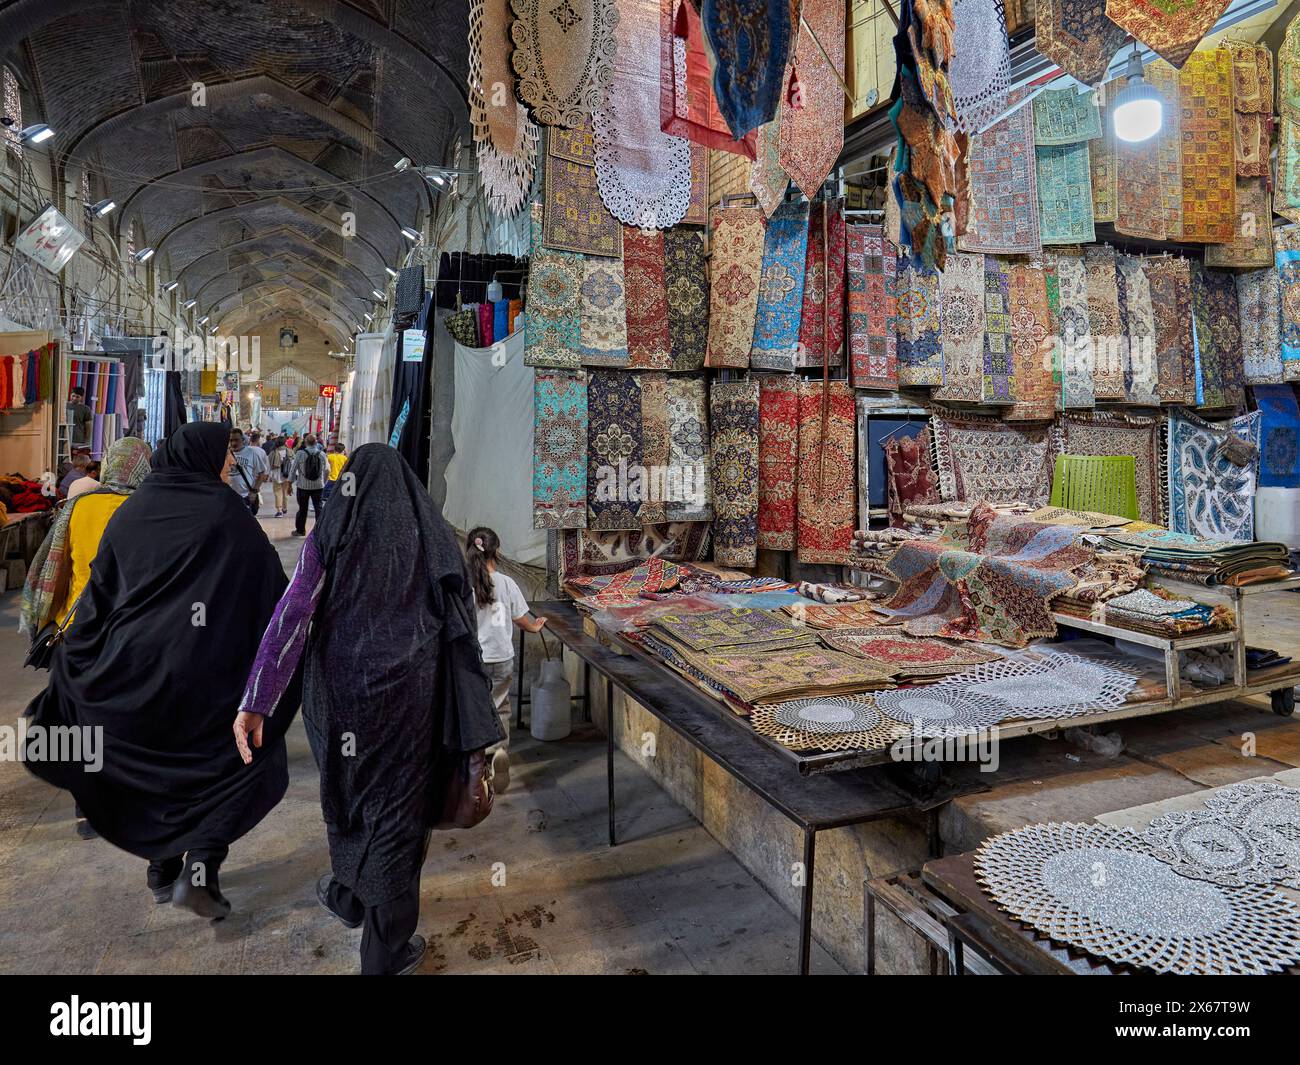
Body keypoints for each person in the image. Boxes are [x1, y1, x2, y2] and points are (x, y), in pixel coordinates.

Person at [233, 445, 501, 975]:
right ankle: (383, 952)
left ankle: (350, 895)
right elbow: (463, 624)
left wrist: (257, 701)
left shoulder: (331, 533)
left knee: (349, 795)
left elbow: (293, 612)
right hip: (411, 702)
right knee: (399, 816)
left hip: (340, 699)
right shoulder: (436, 540)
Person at [23, 423, 300, 918]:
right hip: (211, 674)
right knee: (222, 769)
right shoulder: (225, 513)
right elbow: (272, 590)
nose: (228, 465)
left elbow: (99, 597)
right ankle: (201, 872)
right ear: (201, 458)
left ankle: (160, 866)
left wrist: (81, 658)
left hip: (140, 671)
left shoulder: (132, 513)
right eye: (222, 457)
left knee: (161, 768)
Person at [20, 438, 153, 840]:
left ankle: (85, 805)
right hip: (131, 634)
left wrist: (39, 614)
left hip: (77, 634)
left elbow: (53, 562)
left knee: (79, 721)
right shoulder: (150, 510)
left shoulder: (80, 506)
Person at [465, 527, 547, 794]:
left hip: (474, 658)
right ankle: (499, 750)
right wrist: (534, 627)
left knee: (476, 711)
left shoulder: (465, 585)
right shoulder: (507, 583)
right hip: (502, 658)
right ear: (497, 551)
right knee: (500, 708)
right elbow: (520, 617)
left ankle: (482, 767)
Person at [290, 433, 327, 536]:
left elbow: (293, 470)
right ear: (316, 443)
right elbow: (327, 470)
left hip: (303, 486)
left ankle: (300, 531)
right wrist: (323, 480)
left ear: (305, 442)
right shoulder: (322, 454)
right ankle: (319, 532)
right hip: (318, 486)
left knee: (302, 509)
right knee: (318, 508)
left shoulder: (300, 453)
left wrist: (289, 483)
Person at [228, 427, 270, 516]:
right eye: (231, 440)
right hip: (228, 497)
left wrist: (254, 491)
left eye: (236, 440)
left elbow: (262, 473)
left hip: (245, 496)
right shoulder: (225, 454)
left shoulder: (251, 453)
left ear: (242, 440)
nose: (233, 443)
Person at [268, 435, 293, 517]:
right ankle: (285, 508)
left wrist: (269, 475)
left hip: (276, 474)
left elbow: (269, 465)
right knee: (285, 492)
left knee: (277, 492)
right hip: (287, 474)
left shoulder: (273, 452)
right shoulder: (289, 451)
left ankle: (279, 510)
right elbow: (293, 463)